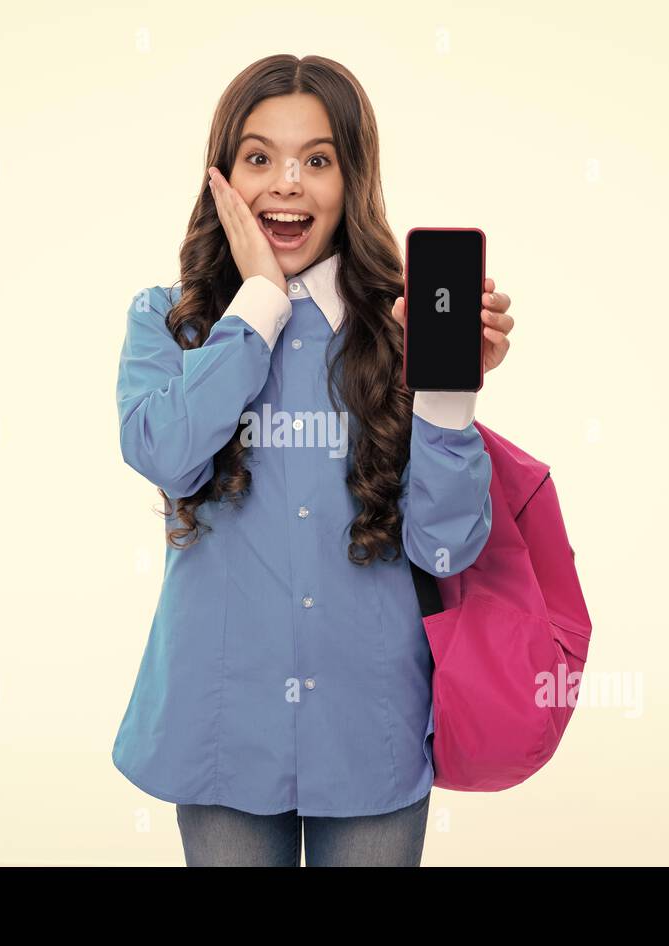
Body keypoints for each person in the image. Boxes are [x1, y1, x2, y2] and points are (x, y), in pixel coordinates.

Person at [113, 54, 516, 866]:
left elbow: (444, 549)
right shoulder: (168, 321)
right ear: (221, 179)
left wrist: (447, 400)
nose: (288, 184)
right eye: (260, 158)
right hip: (221, 729)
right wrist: (258, 300)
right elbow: (167, 454)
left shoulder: (403, 328)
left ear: (352, 179)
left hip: (370, 731)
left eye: (318, 160)